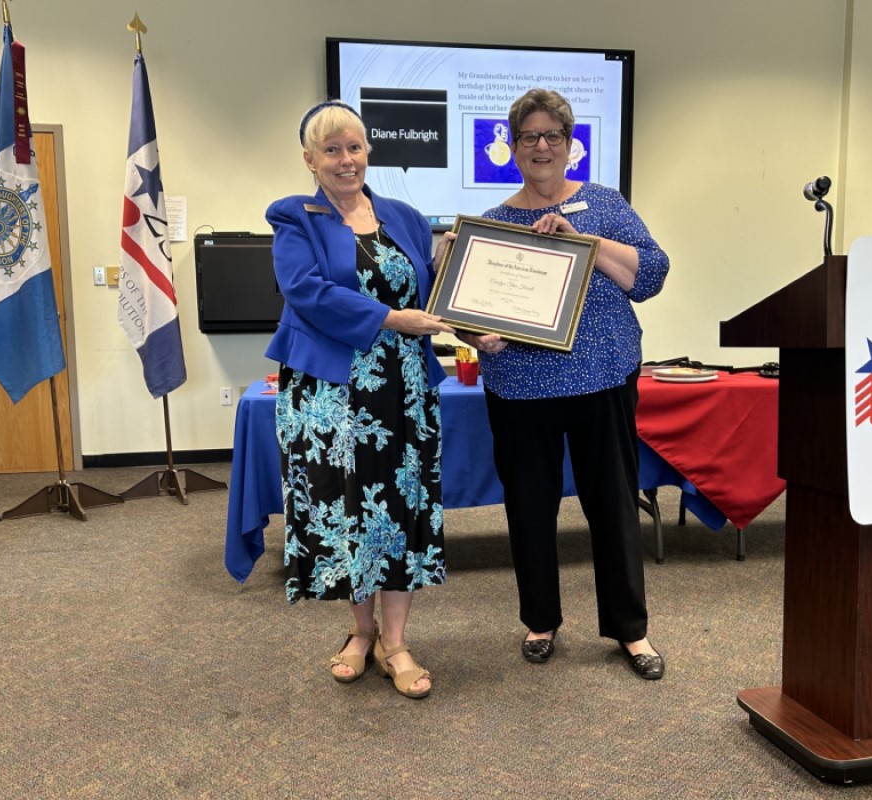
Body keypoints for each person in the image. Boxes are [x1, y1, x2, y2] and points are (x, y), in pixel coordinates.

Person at [459, 88, 670, 680]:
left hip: (602, 377)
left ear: (571, 145)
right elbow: (472, 318)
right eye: (529, 137)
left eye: (554, 135)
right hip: (520, 386)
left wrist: (586, 243)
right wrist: (477, 337)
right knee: (529, 509)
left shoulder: (603, 204)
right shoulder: (494, 225)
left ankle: (631, 630)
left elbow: (650, 273)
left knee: (613, 507)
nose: (542, 146)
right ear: (513, 148)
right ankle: (540, 620)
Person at [266, 100, 455, 699]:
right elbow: (306, 292)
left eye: (354, 147)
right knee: (347, 510)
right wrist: (391, 318)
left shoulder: (404, 214)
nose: (345, 160)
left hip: (404, 388)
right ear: (310, 160)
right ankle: (360, 631)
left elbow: (435, 289)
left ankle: (394, 642)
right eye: (331, 150)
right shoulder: (296, 217)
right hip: (331, 393)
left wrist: (461, 281)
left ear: (368, 151)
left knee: (398, 508)